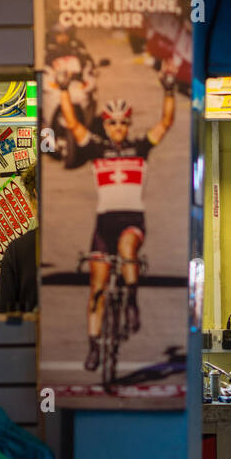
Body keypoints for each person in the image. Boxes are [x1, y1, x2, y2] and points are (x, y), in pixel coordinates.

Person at [57, 70, 175, 373]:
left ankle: (132, 300)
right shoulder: (97, 148)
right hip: (103, 223)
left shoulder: (140, 147)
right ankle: (95, 345)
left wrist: (170, 91)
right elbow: (72, 123)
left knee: (127, 247)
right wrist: (62, 89)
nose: (119, 127)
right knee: (96, 287)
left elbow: (164, 124)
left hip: (132, 220)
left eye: (124, 122)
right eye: (113, 122)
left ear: (128, 125)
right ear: (106, 124)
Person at [0, 163, 38, 313]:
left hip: (30, 336)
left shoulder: (19, 251)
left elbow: (1, 324)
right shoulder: (85, 243)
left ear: (36, 195)